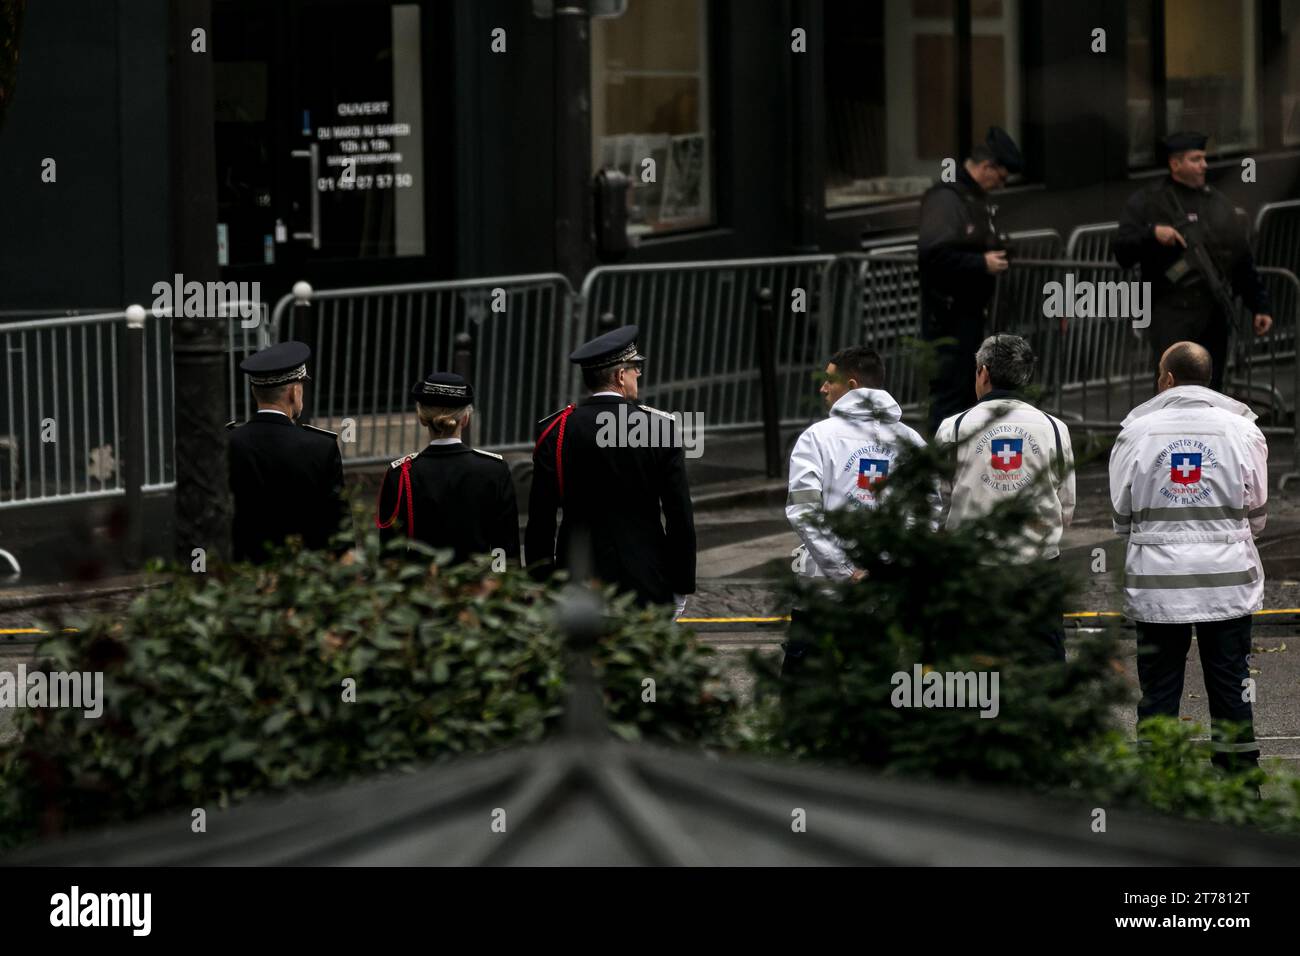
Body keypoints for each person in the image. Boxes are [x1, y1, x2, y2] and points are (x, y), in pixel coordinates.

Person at [1109, 341, 1266, 771]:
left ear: (1168, 379)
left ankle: (1158, 780)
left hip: (1157, 585)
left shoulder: (1135, 432)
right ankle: (1239, 780)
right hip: (1228, 581)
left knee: (1159, 688)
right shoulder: (1244, 430)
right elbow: (1258, 513)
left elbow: (1121, 514)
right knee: (1231, 684)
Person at [525, 324, 696, 611]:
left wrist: (542, 583)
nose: (638, 374)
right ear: (619, 376)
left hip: (576, 580)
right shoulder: (658, 427)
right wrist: (681, 583)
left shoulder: (556, 430)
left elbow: (541, 520)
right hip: (646, 579)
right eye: (634, 369)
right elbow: (679, 516)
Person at [783, 346, 926, 676]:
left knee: (804, 705)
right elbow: (924, 513)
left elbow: (804, 512)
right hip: (884, 600)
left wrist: (847, 572)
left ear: (850, 385)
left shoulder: (815, 439)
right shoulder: (912, 441)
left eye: (828, 380)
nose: (822, 388)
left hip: (822, 597)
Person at [934, 334, 1075, 662]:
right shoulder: (1054, 428)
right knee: (1043, 665)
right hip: (1037, 568)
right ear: (1026, 376)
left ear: (982, 373)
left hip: (972, 571)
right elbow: (1066, 503)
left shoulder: (953, 428)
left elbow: (937, 502)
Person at [1114, 131, 1272, 392]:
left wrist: (1259, 305)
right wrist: (1152, 233)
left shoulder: (1216, 204)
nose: (1204, 165)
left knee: (1211, 387)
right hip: (1169, 310)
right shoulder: (1149, 202)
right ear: (1175, 164)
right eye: (1196, 159)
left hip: (1212, 309)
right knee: (1170, 388)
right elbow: (1122, 250)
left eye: (1204, 159)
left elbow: (1241, 258)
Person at [919, 126, 1023, 436]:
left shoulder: (972, 199)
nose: (1000, 186)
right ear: (987, 166)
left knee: (968, 394)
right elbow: (933, 255)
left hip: (970, 315)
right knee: (950, 396)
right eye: (1001, 177)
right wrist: (981, 263)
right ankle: (940, 467)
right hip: (949, 318)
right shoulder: (947, 199)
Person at [375, 371, 520, 567]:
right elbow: (504, 546)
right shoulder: (494, 470)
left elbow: (390, 553)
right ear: (466, 418)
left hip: (423, 590)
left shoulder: (401, 473)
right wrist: (498, 584)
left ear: (421, 417)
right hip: (480, 588)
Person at [227, 341, 347, 563]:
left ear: (255, 391)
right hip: (306, 574)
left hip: (245, 575)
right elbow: (338, 525)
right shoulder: (321, 447)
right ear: (294, 391)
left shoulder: (230, 442)